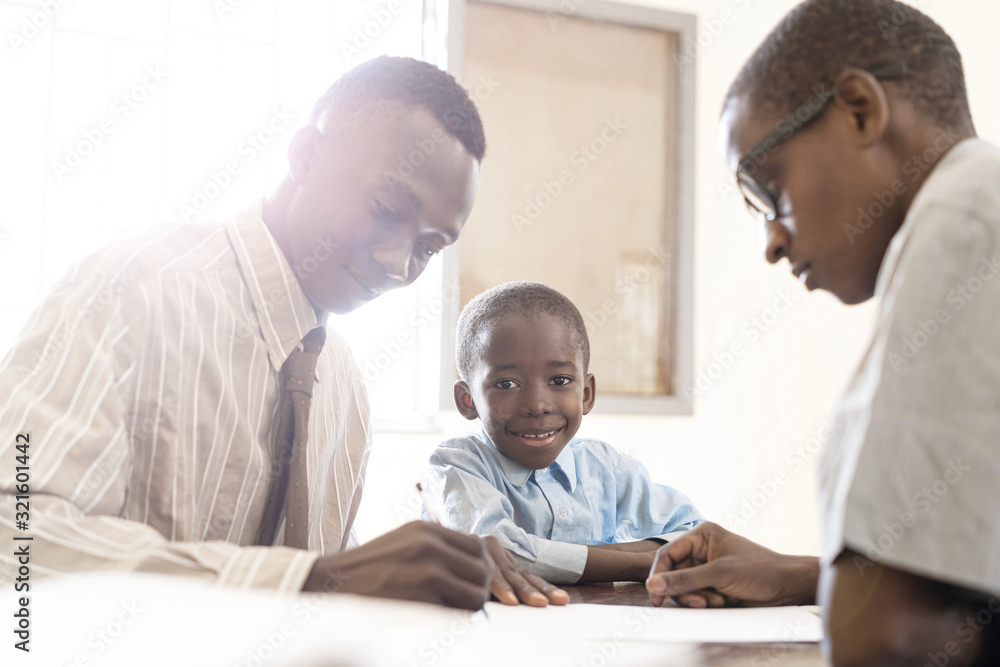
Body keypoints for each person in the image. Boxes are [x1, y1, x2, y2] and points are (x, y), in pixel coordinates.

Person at [0, 56, 563, 610]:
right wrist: (309, 578)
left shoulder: (344, 386)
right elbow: (15, 536)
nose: (398, 264)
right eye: (386, 208)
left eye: (427, 248)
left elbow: (332, 582)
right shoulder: (134, 289)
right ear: (305, 154)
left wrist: (427, 574)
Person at [645, 0, 1000, 664]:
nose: (771, 244)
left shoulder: (964, 221)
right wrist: (802, 573)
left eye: (768, 189)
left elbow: (888, 639)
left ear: (860, 110)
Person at [428, 281, 702, 586]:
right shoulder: (458, 465)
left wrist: (599, 560)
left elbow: (695, 537)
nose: (537, 405)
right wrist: (642, 563)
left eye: (559, 380)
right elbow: (498, 552)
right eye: (506, 384)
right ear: (467, 400)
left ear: (586, 393)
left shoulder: (607, 468)